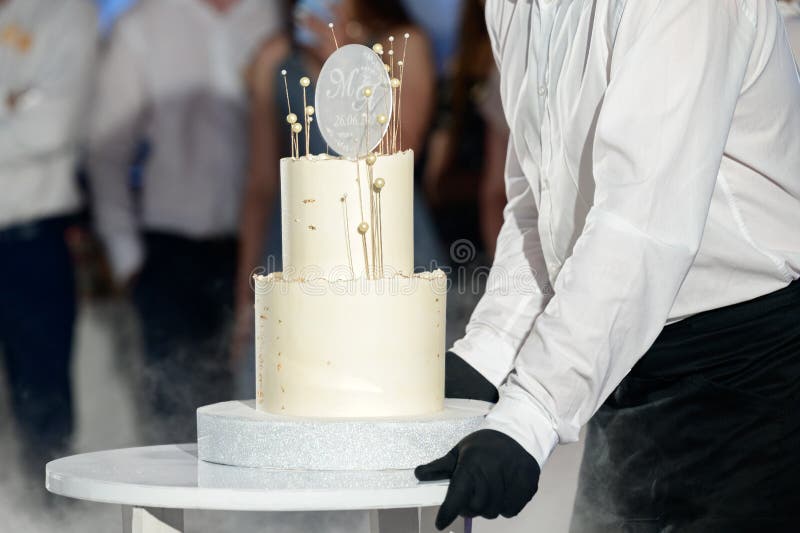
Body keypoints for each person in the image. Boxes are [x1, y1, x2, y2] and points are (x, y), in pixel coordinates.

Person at [416, 1, 800, 531]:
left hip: (749, 377)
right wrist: (488, 352)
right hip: (622, 366)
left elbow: (642, 227)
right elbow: (541, 206)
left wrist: (531, 414)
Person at [87, 0, 283, 444]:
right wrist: (128, 258)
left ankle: (256, 514)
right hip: (170, 255)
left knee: (270, 410)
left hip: (273, 253)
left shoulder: (277, 16)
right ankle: (184, 516)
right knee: (174, 416)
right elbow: (106, 151)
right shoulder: (142, 25)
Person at [234, 0, 436, 373]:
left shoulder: (402, 45)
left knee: (380, 377)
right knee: (288, 382)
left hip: (378, 236)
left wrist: (345, 65)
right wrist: (246, 298)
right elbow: (261, 184)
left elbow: (402, 149)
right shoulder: (275, 58)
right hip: (296, 240)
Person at [0, 0, 97, 478]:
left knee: (43, 406)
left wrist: (29, 110)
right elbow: (27, 128)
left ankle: (50, 522)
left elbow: (51, 127)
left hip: (30, 243)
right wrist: (13, 103)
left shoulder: (66, 12)